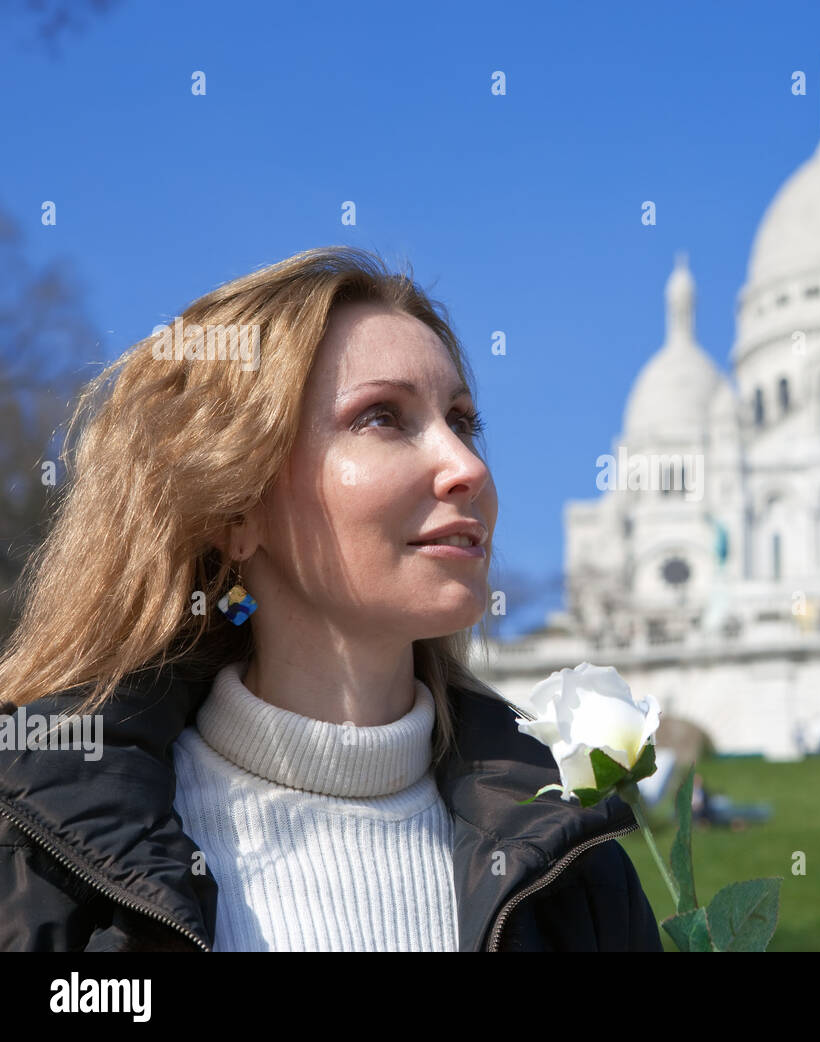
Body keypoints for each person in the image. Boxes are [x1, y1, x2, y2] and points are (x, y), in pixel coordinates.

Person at [0, 247, 662, 952]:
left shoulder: (577, 870)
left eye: (463, 422)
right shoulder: (43, 863)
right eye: (383, 417)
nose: (468, 467)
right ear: (237, 510)